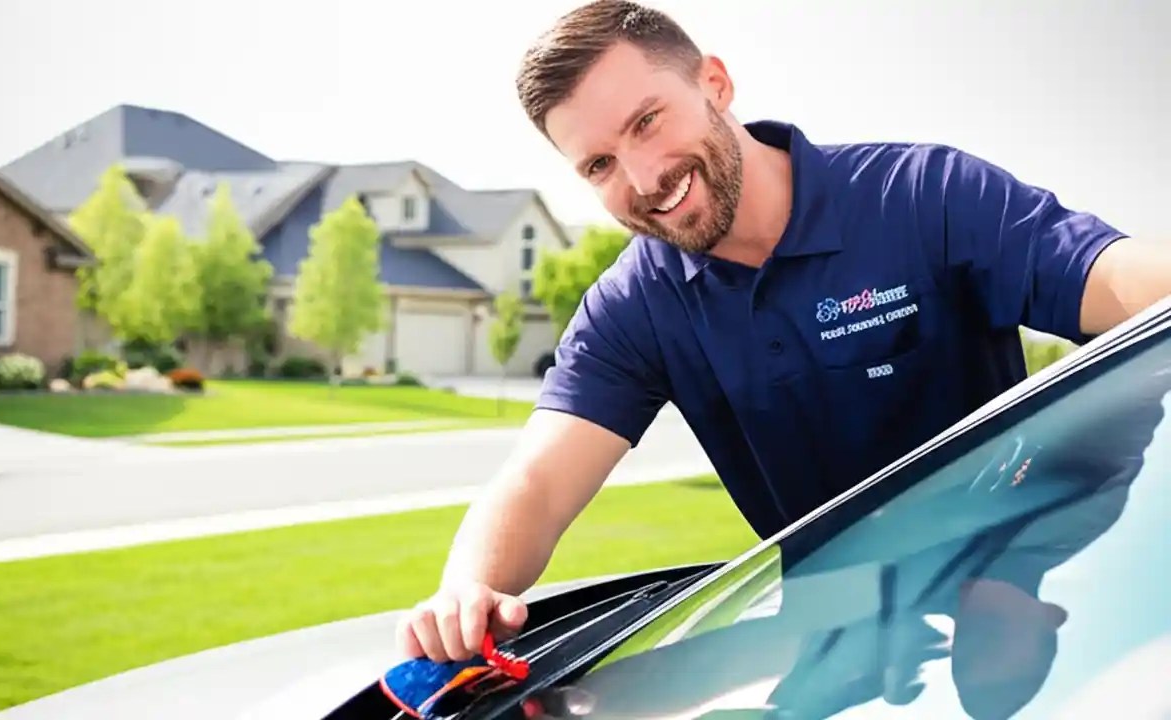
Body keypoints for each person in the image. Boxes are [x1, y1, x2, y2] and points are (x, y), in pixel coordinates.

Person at [396, 0, 1171, 664]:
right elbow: (537, 477)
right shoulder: (634, 305)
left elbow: (1117, 281)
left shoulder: (925, 196)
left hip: (1036, 603)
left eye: (647, 121)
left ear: (716, 84)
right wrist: (468, 586)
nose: (641, 179)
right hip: (841, 648)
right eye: (599, 164)